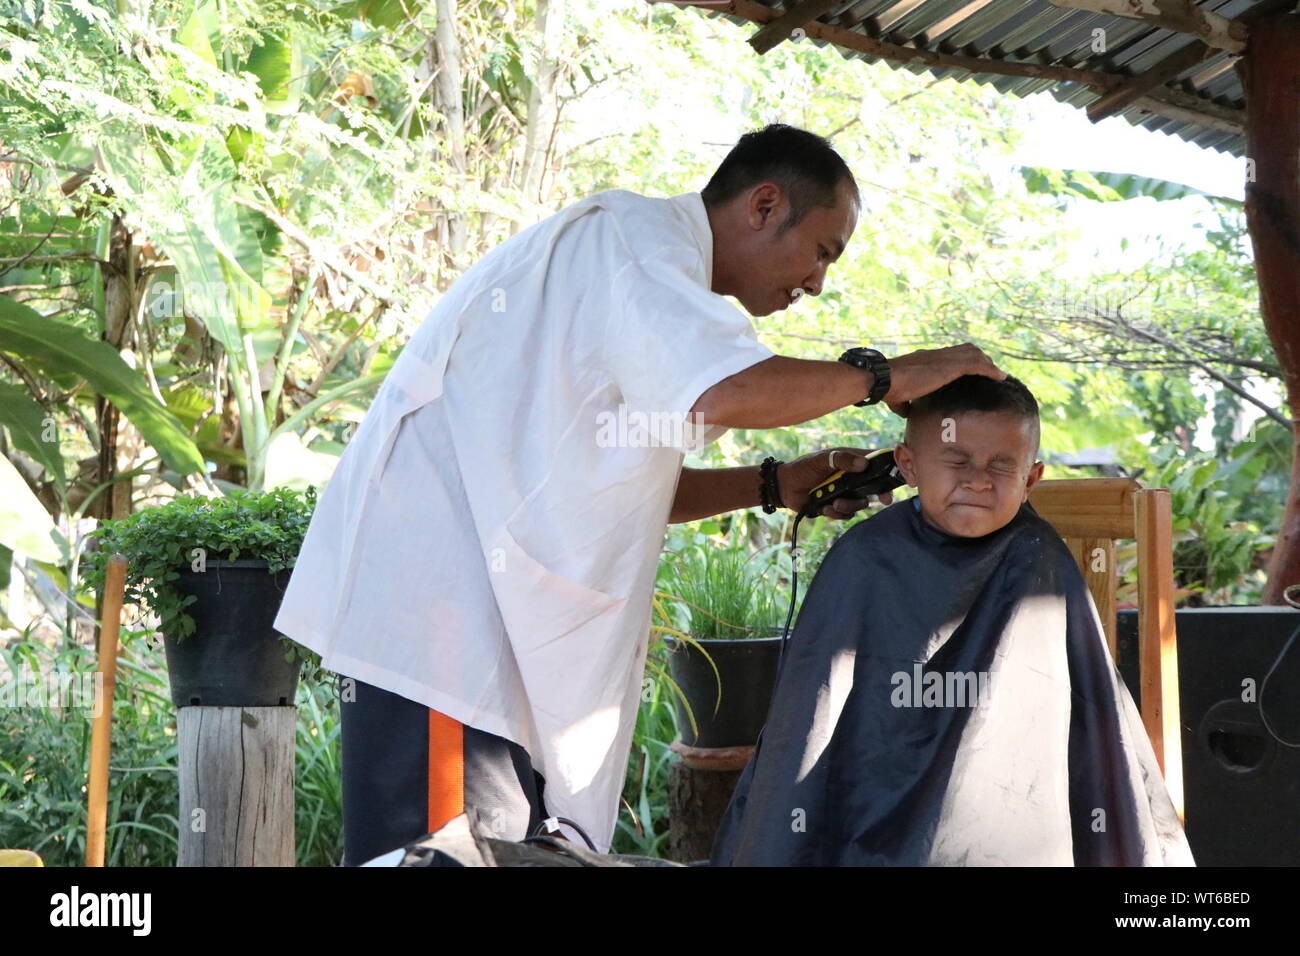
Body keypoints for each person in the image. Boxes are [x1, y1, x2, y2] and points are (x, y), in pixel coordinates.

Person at [273, 123, 1009, 865]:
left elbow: (626, 476)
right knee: (438, 860)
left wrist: (774, 485)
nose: (817, 283)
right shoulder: (631, 243)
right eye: (821, 251)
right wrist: (886, 377)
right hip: (443, 631)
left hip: (493, 637)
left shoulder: (649, 279)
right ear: (762, 205)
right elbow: (724, 392)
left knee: (504, 855)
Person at [711, 374, 1195, 866]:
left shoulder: (1037, 561)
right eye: (957, 460)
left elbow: (1034, 726)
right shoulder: (866, 557)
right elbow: (811, 723)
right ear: (908, 464)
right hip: (864, 799)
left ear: (1032, 478)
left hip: (1000, 806)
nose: (978, 480)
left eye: (1002, 465)